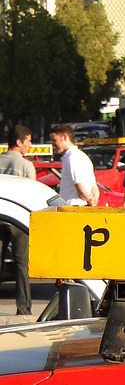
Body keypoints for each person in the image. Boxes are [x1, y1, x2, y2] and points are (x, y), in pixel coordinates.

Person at [0, 125, 36, 315]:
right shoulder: (25, 165)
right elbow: (30, 194)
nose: (30, 145)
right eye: (28, 141)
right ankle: (23, 308)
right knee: (22, 265)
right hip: (18, 220)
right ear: (19, 142)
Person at [50, 124, 100, 207]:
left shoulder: (72, 158)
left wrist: (89, 201)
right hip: (83, 206)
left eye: (54, 140)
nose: (53, 144)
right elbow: (94, 188)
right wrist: (93, 203)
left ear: (64, 137)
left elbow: (79, 186)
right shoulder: (83, 156)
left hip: (74, 207)